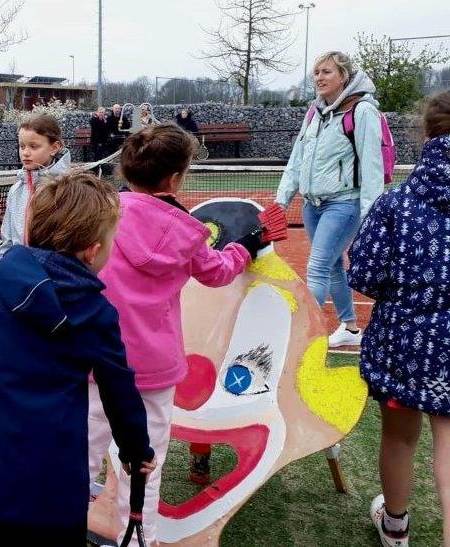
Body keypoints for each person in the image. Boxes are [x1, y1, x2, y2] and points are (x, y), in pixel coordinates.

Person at [0, 172, 154, 546]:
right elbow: (120, 389)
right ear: (92, 251)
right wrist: (135, 448)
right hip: (53, 482)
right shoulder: (96, 312)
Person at [92, 124, 263, 545]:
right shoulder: (189, 233)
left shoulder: (100, 214)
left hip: (97, 357)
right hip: (153, 365)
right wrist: (246, 247)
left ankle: (54, 523)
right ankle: (138, 539)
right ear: (175, 178)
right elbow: (219, 272)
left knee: (80, 450)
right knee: (145, 463)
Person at [347, 90, 450, 547]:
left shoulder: (395, 204)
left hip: (403, 347)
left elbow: (365, 276)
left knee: (400, 438)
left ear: (428, 132)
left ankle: (395, 527)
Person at [275, 51, 384, 348]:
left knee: (318, 266)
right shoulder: (314, 112)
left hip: (344, 204)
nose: (319, 78)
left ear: (344, 76)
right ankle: (349, 327)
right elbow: (297, 159)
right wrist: (281, 201)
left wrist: (370, 219)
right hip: (313, 205)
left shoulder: (362, 111)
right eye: (316, 73)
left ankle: (300, 336)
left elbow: (372, 166)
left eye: (326, 72)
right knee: (333, 264)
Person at [0, 114, 72, 254]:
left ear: (54, 147)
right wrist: (7, 265)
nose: (25, 153)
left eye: (33, 146)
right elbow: (7, 239)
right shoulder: (15, 190)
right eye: (22, 146)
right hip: (19, 270)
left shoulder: (68, 189)